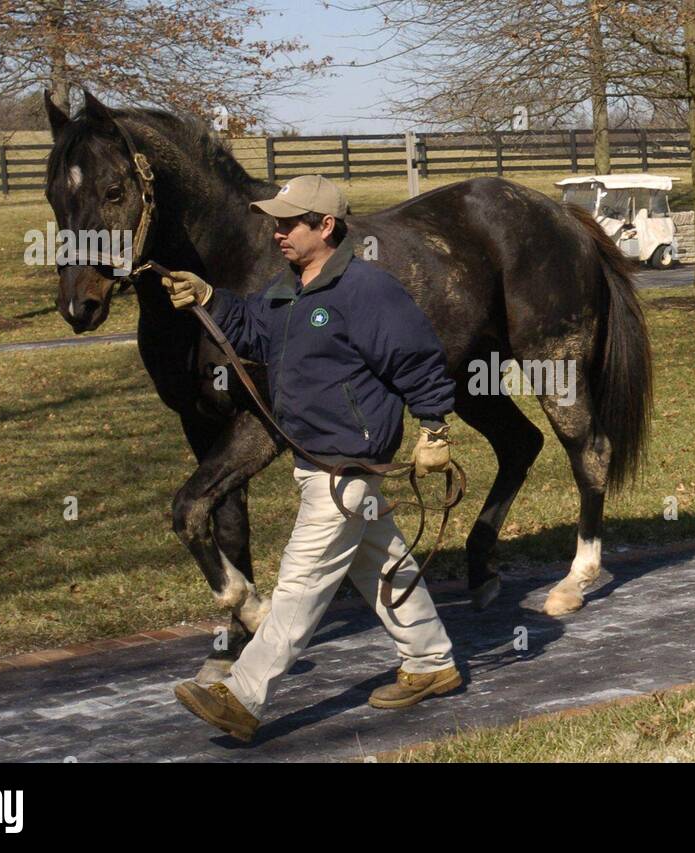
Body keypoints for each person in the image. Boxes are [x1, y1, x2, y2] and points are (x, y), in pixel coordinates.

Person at [163, 174, 462, 742]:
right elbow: (253, 331)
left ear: (326, 226)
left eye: (289, 222)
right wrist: (210, 298)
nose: (277, 232)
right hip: (315, 460)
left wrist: (435, 426)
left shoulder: (366, 291)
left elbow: (416, 357)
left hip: (345, 467)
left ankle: (244, 696)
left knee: (298, 587)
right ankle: (431, 661)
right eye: (275, 222)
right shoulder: (289, 287)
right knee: (383, 565)